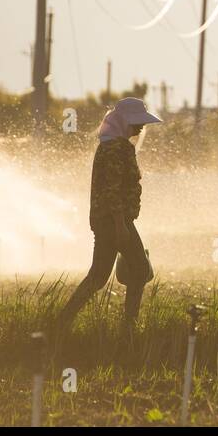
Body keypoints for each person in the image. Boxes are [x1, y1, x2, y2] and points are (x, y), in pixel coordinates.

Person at [58, 97, 162, 333]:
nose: (141, 127)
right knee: (140, 269)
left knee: (98, 276)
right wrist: (120, 225)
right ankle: (129, 328)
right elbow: (112, 189)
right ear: (125, 122)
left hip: (108, 220)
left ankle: (61, 323)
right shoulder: (117, 148)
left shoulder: (110, 145)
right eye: (137, 123)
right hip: (115, 220)